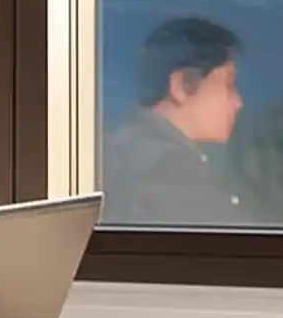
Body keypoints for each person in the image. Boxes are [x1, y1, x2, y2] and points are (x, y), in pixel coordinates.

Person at [102, 16, 248, 225]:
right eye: (228, 84)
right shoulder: (168, 171)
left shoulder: (119, 151)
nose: (237, 102)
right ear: (181, 86)